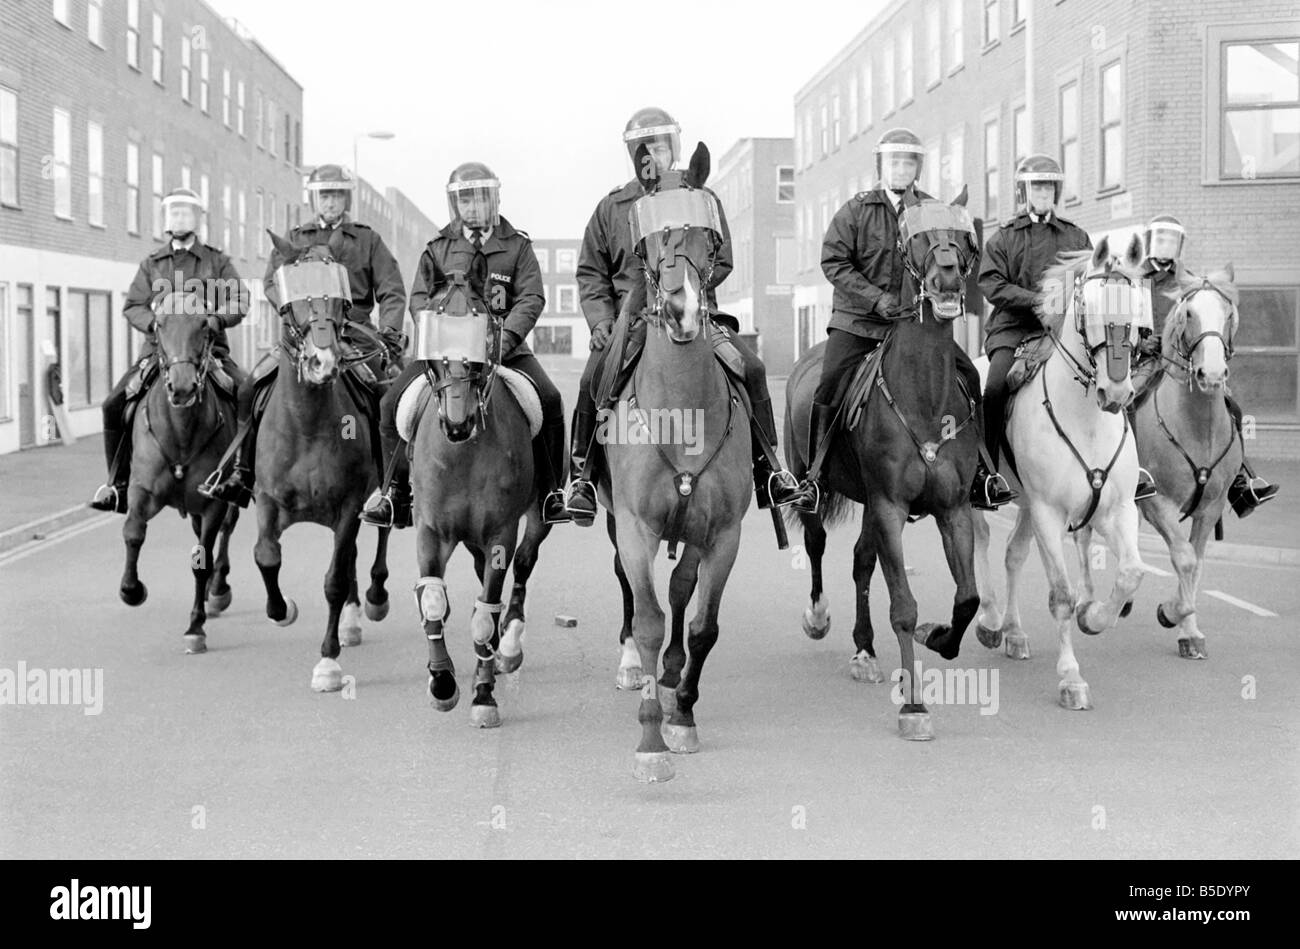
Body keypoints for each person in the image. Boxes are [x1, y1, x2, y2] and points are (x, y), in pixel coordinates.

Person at [562, 105, 807, 525]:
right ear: (634, 155)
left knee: (751, 367)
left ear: (673, 147)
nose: (653, 155)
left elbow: (723, 256)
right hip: (632, 319)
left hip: (693, 312)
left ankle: (770, 468)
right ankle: (582, 477)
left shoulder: (701, 198)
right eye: (645, 148)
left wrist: (690, 289)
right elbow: (591, 270)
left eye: (660, 145)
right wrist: (602, 320)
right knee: (592, 379)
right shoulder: (612, 207)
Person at [792, 127, 1010, 512]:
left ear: (917, 168)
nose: (900, 169)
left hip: (914, 325)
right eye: (894, 162)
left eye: (908, 162)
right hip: (859, 322)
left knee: (970, 376)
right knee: (827, 384)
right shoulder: (857, 210)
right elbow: (833, 262)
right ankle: (815, 475)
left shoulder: (933, 212)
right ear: (881, 167)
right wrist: (876, 300)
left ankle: (982, 474)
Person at [359, 162, 569, 528]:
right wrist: (439, 339)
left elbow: (531, 298)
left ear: (495, 199)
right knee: (390, 403)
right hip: (446, 355)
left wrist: (504, 340)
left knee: (549, 400)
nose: (472, 208)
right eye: (465, 201)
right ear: (455, 204)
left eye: (479, 200)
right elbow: (419, 298)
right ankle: (395, 493)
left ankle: (551, 492)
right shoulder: (437, 248)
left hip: (505, 350)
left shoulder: (517, 247)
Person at [201, 163, 406, 507]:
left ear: (346, 199)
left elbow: (392, 290)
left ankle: (392, 489)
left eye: (337, 195)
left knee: (386, 396)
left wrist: (389, 333)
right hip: (301, 336)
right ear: (314, 199)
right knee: (252, 386)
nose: (330, 202)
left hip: (353, 335)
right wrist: (291, 313)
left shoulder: (368, 240)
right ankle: (242, 472)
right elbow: (271, 281)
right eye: (325, 195)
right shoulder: (295, 239)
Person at [89, 187, 248, 513]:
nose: (179, 218)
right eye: (174, 212)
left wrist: (216, 319)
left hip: (208, 352)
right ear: (166, 219)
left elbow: (240, 300)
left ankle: (242, 476)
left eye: (186, 212)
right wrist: (154, 324)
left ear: (198, 218)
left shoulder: (216, 262)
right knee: (113, 404)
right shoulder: (152, 265)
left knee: (249, 394)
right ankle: (118, 484)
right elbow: (133, 305)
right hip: (157, 353)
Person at [977, 154, 1124, 497]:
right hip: (1013, 329)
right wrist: (1036, 302)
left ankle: (1127, 466)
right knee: (995, 387)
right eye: (1035, 186)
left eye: (1047, 186)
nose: (1042, 193)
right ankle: (985, 473)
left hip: (1064, 331)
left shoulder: (1076, 237)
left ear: (1056, 192)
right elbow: (991, 284)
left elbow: (1093, 284)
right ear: (1023, 192)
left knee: (1112, 374)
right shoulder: (1003, 238)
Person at [1132, 214, 1278, 516]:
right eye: (1161, 239)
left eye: (1173, 241)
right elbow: (1121, 323)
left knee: (1229, 405)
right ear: (1150, 243)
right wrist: (1141, 342)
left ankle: (1239, 483)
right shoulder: (1133, 279)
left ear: (1179, 246)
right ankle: (1132, 473)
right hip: (1146, 358)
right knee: (1129, 399)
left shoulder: (1191, 281)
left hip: (1182, 361)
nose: (1167, 246)